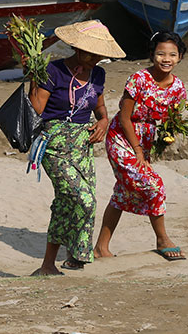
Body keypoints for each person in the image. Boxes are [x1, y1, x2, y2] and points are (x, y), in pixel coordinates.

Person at [28, 20, 125, 275]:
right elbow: (36, 111)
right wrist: (33, 78)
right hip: (53, 145)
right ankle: (79, 251)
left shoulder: (99, 75)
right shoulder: (53, 71)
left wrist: (103, 121)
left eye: (99, 53)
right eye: (89, 51)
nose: (94, 58)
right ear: (76, 47)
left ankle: (50, 265)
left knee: (64, 203)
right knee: (84, 199)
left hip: (82, 146)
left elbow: (100, 108)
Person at [93, 31, 188, 262]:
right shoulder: (138, 79)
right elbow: (125, 118)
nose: (166, 59)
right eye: (161, 54)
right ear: (152, 55)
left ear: (180, 57)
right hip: (121, 138)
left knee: (122, 194)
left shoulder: (178, 88)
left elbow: (170, 122)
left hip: (145, 141)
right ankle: (162, 239)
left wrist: (160, 142)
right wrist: (137, 150)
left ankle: (100, 248)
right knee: (154, 185)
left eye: (172, 55)